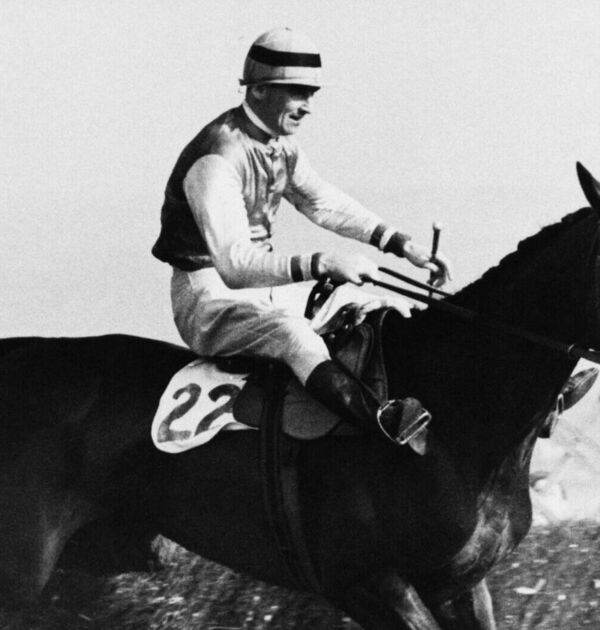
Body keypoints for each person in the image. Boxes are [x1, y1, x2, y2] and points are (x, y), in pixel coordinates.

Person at [151, 27, 450, 452]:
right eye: (297, 93)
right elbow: (234, 267)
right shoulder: (216, 158)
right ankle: (381, 424)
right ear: (257, 92)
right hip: (208, 298)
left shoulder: (280, 146)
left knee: (386, 307)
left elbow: (322, 202)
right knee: (297, 339)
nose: (308, 107)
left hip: (265, 288)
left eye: (311, 94)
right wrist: (322, 263)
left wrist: (400, 244)